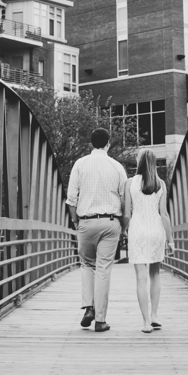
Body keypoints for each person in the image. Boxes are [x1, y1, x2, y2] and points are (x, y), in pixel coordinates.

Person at [66, 127, 128, 333]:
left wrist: (76, 221)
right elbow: (124, 199)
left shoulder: (80, 164)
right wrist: (123, 225)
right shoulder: (117, 166)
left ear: (91, 143)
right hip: (110, 223)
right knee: (103, 269)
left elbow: (71, 198)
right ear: (108, 143)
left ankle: (88, 308)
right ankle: (100, 320)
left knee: (87, 265)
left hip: (85, 222)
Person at [124, 150, 174, 333]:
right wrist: (171, 240)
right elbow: (164, 215)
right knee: (155, 274)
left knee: (141, 277)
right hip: (156, 231)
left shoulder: (130, 183)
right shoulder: (161, 184)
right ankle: (154, 316)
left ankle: (145, 323)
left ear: (140, 162)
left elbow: (127, 214)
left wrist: (122, 230)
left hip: (138, 231)